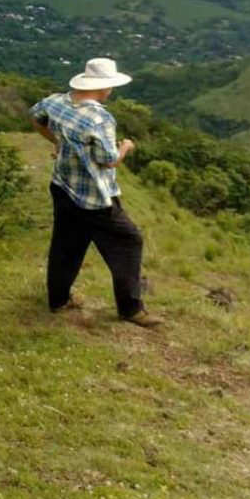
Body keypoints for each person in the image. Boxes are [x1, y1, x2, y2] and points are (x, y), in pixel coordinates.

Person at [29, 57, 163, 329]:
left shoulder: (56, 101)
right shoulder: (100, 118)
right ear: (105, 88)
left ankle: (59, 300)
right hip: (93, 198)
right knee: (129, 241)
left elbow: (36, 118)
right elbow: (108, 160)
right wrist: (126, 146)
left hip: (62, 186)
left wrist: (59, 143)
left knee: (66, 244)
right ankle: (131, 309)